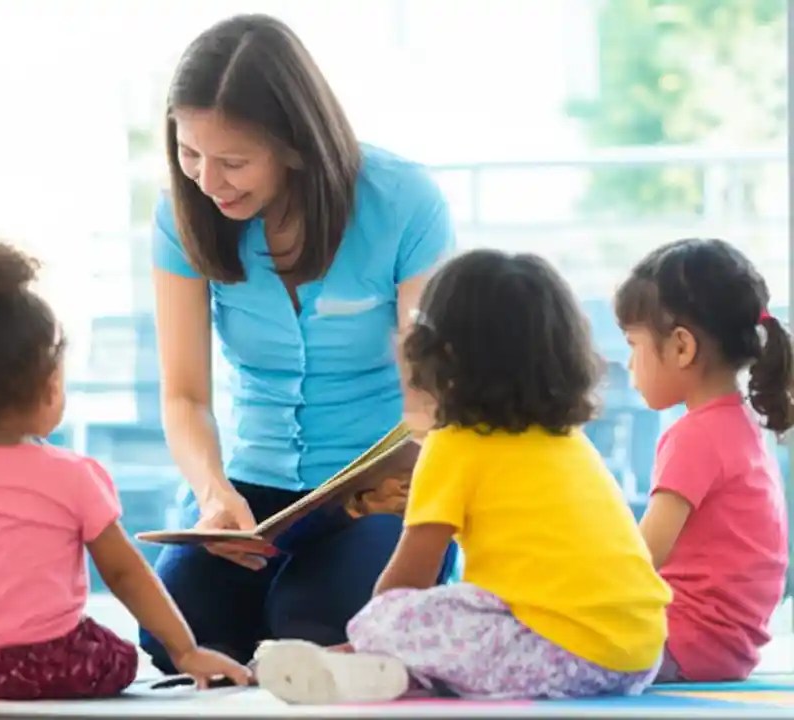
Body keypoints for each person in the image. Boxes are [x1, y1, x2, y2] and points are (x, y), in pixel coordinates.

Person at [143, 12, 457, 671]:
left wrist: (391, 491)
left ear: (294, 144)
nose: (207, 180)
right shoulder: (182, 215)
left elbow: (431, 398)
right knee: (176, 633)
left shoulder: (402, 201)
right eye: (188, 152)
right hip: (251, 494)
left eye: (233, 161)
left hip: (378, 495)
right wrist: (211, 494)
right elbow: (184, 394)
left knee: (311, 629)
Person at [253, 250, 671, 704]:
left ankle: (370, 667)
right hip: (639, 654)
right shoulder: (568, 440)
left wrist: (368, 634)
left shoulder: (455, 444)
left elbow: (404, 583)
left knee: (390, 616)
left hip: (566, 653)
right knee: (465, 607)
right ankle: (389, 674)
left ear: (441, 353)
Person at [0, 240, 252, 700]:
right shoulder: (73, 475)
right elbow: (126, 574)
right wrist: (185, 651)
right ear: (50, 387)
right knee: (119, 655)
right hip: (49, 665)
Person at [616, 238, 791, 683]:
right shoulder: (742, 424)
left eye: (633, 344)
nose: (627, 363)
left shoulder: (694, 436)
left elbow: (640, 559)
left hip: (681, 641)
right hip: (725, 649)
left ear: (681, 347)